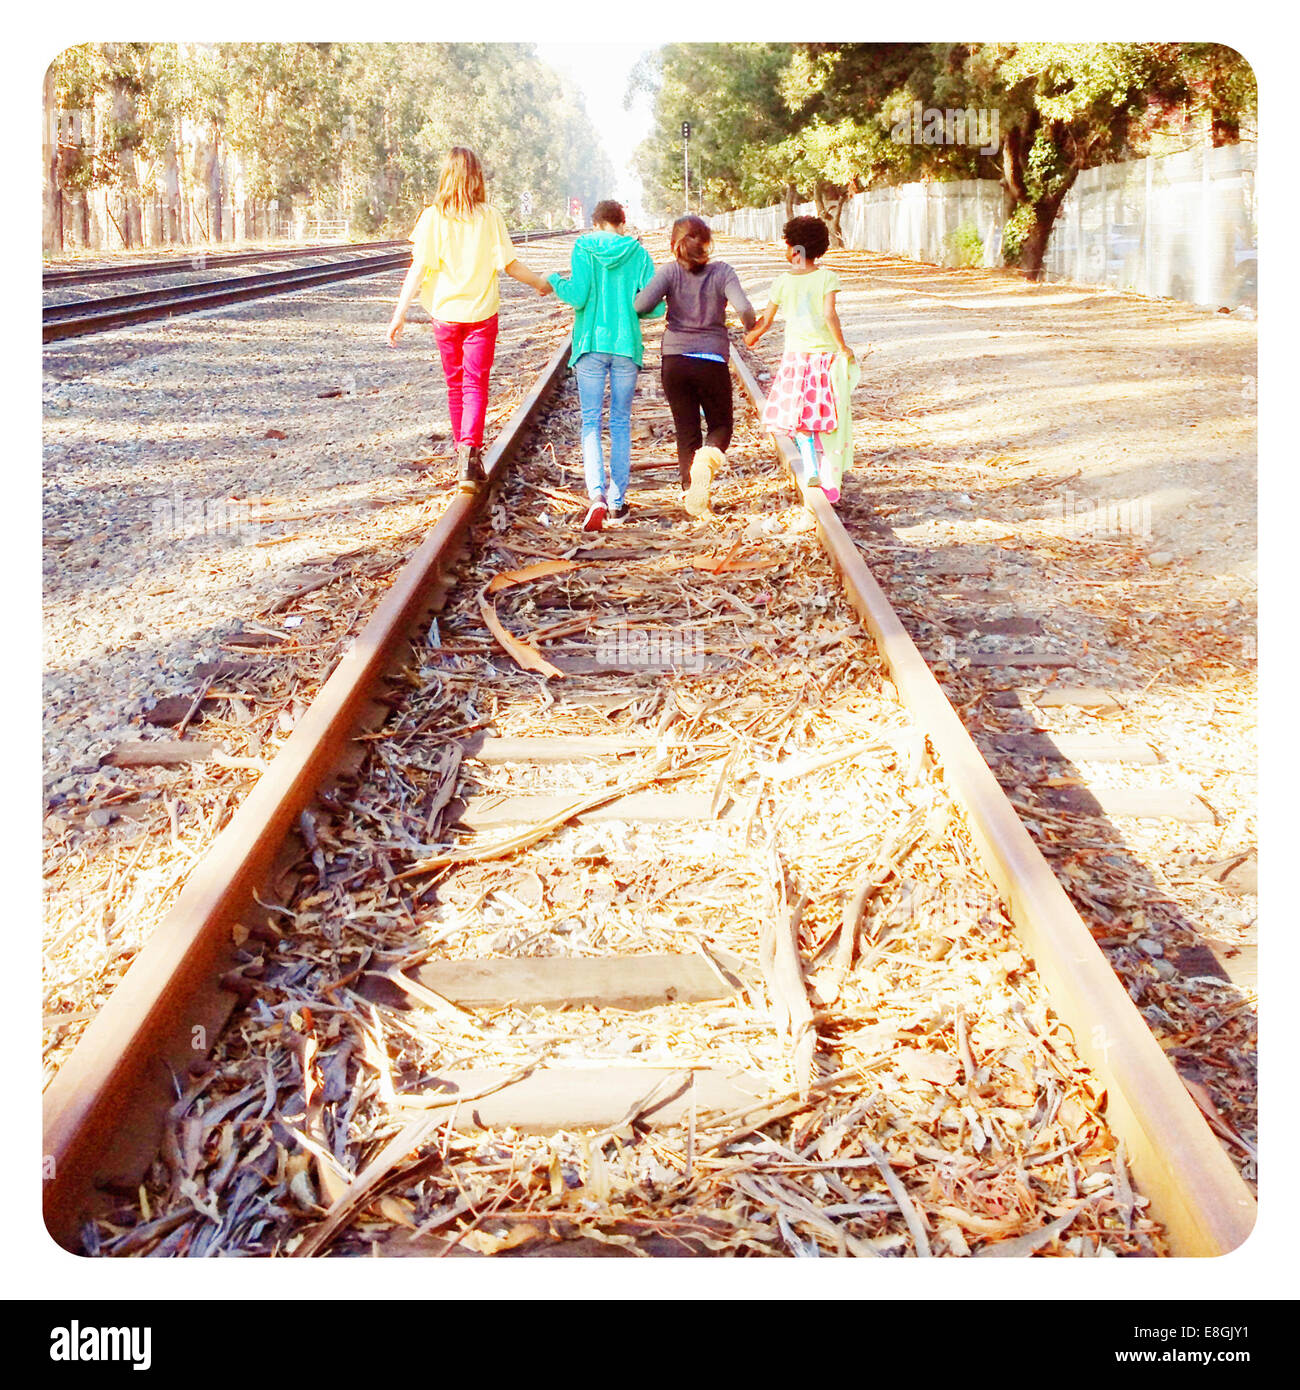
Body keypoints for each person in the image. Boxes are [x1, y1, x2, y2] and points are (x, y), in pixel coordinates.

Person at [387, 147, 552, 491]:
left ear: (446, 176)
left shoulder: (433, 217)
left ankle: (462, 454)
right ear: (477, 177)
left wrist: (399, 313)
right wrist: (539, 282)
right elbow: (510, 265)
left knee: (456, 385)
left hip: (445, 315)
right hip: (481, 315)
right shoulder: (489, 217)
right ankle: (469, 455)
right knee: (475, 385)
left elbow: (418, 269)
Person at [547, 199, 663, 532]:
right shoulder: (638, 252)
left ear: (595, 223)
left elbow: (577, 296)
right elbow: (654, 307)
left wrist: (554, 280)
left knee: (590, 421)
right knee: (621, 422)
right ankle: (617, 503)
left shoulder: (584, 247)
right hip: (626, 346)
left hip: (590, 345)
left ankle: (596, 494)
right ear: (621, 224)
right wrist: (630, 307)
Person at [634, 216, 756, 519]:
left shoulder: (670, 272)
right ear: (708, 243)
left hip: (675, 360)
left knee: (686, 428)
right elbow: (743, 307)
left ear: (673, 244)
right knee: (721, 426)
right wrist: (750, 328)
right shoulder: (723, 271)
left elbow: (640, 306)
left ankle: (691, 491)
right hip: (711, 360)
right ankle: (705, 462)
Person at [743, 215, 858, 504]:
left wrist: (752, 336)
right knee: (825, 416)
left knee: (800, 416)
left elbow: (767, 319)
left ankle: (810, 467)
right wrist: (842, 346)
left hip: (796, 359)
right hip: (824, 358)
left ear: (795, 250)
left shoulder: (782, 282)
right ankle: (826, 472)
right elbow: (829, 314)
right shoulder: (827, 278)